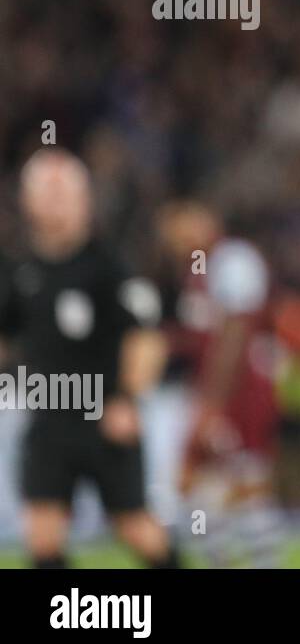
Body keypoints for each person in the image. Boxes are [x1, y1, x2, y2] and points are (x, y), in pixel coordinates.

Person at [0, 149, 177, 568]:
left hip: (105, 416)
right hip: (49, 418)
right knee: (42, 532)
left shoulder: (109, 267)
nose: (56, 201)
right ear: (27, 201)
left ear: (85, 200)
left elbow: (146, 340)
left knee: (134, 526)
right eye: (46, 191)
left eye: (65, 192)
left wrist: (127, 399)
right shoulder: (20, 271)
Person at [157, 201, 283, 567]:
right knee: (205, 493)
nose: (179, 239)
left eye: (185, 227)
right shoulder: (196, 272)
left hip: (241, 392)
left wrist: (212, 403)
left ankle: (263, 562)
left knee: (246, 486)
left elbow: (235, 333)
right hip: (214, 392)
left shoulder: (234, 258)